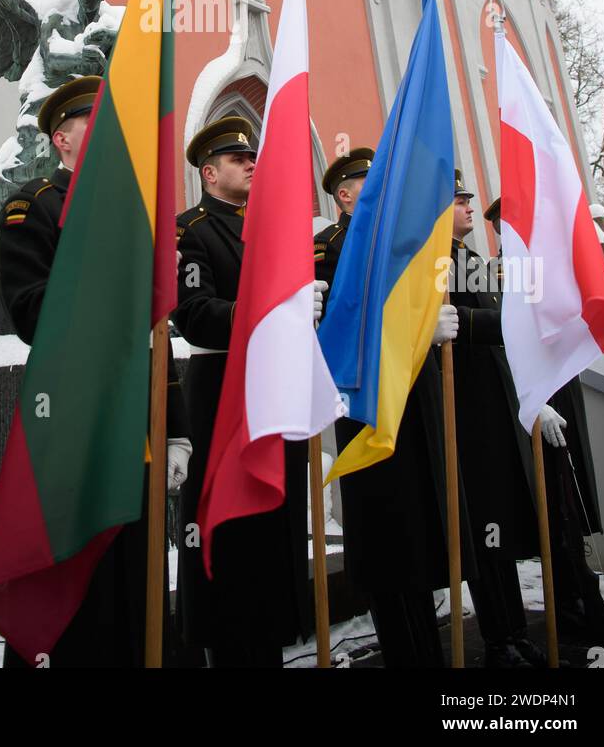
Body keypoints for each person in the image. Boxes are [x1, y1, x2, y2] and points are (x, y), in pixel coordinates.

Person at [0, 75, 191, 667]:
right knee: (76, 578)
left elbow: (154, 337)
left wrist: (175, 426)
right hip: (71, 421)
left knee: (137, 578)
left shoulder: (134, 215)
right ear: (62, 138)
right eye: (93, 121)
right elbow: (34, 312)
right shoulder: (33, 206)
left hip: (134, 423)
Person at [314, 148, 467, 668]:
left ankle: (427, 648)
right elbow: (345, 329)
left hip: (414, 400)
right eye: (368, 180)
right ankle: (406, 651)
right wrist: (418, 331)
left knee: (420, 531)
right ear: (345, 194)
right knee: (385, 533)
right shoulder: (328, 248)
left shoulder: (400, 245)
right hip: (366, 408)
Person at [174, 116, 310, 668]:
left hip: (275, 393)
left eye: (252, 155)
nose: (252, 162)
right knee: (227, 534)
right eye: (237, 158)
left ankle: (269, 647)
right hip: (220, 395)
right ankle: (229, 650)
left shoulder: (276, 231)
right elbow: (195, 314)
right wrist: (272, 314)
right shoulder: (192, 231)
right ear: (209, 174)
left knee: (276, 528)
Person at [484, 197, 604, 646]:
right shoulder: (501, 275)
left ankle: (584, 600)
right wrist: (534, 401)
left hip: (562, 394)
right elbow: (506, 344)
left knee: (572, 510)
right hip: (538, 402)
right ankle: (576, 608)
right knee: (557, 510)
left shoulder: (542, 269)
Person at [449, 172, 543, 668]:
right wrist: (505, 323)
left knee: (501, 525)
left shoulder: (469, 260)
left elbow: (506, 307)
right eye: (460, 200)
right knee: (485, 529)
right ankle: (498, 639)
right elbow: (472, 322)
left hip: (493, 402)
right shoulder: (436, 262)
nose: (469, 207)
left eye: (467, 199)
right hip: (466, 412)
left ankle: (514, 629)